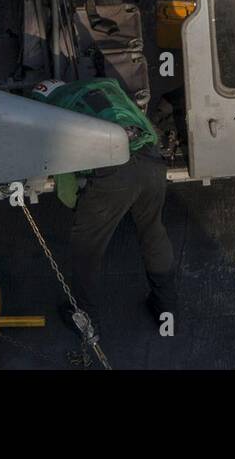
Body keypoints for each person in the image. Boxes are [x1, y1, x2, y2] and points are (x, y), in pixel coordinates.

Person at [31, 77, 177, 339]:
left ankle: (86, 319)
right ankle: (166, 307)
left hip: (111, 174)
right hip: (151, 159)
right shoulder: (101, 89)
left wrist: (86, 210)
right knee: (153, 232)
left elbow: (67, 190)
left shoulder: (57, 115)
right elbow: (148, 128)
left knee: (87, 248)